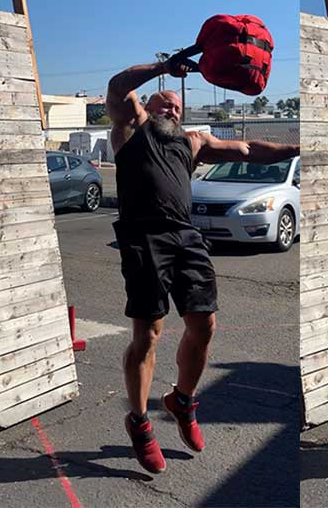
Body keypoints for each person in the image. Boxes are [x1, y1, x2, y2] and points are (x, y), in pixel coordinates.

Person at [106, 59, 298, 474]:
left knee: (204, 325)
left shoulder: (191, 141)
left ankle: (182, 400)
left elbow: (250, 150)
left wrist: (299, 148)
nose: (170, 109)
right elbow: (119, 85)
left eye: (175, 106)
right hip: (143, 237)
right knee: (148, 334)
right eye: (162, 103)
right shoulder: (130, 130)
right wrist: (164, 67)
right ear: (147, 107)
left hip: (185, 235)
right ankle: (140, 424)